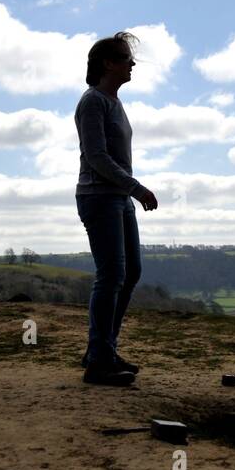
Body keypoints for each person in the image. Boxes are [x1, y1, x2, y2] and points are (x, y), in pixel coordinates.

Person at [76, 31, 158, 386]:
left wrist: (129, 192)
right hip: (99, 197)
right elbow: (96, 156)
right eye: (126, 58)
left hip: (119, 199)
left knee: (131, 273)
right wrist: (135, 187)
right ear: (107, 63)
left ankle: (102, 348)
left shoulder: (114, 102)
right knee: (110, 276)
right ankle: (99, 362)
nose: (132, 64)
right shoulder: (92, 101)